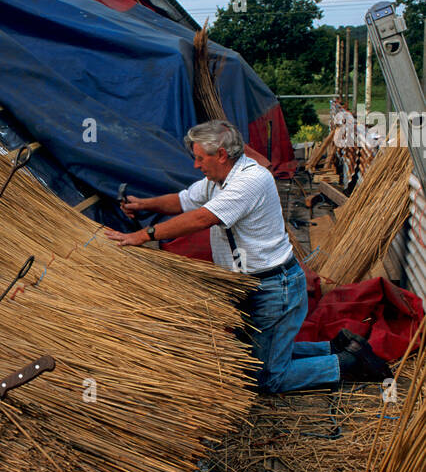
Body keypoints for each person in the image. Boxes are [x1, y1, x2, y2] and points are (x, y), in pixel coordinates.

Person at [102, 118, 392, 393]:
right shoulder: (218, 180)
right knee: (254, 351)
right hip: (253, 285)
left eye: (200, 158)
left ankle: (347, 364)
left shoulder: (250, 180)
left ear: (222, 155)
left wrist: (142, 235)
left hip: (273, 288)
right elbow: (184, 201)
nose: (196, 164)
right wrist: (142, 205)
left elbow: (203, 218)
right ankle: (337, 346)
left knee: (265, 377)